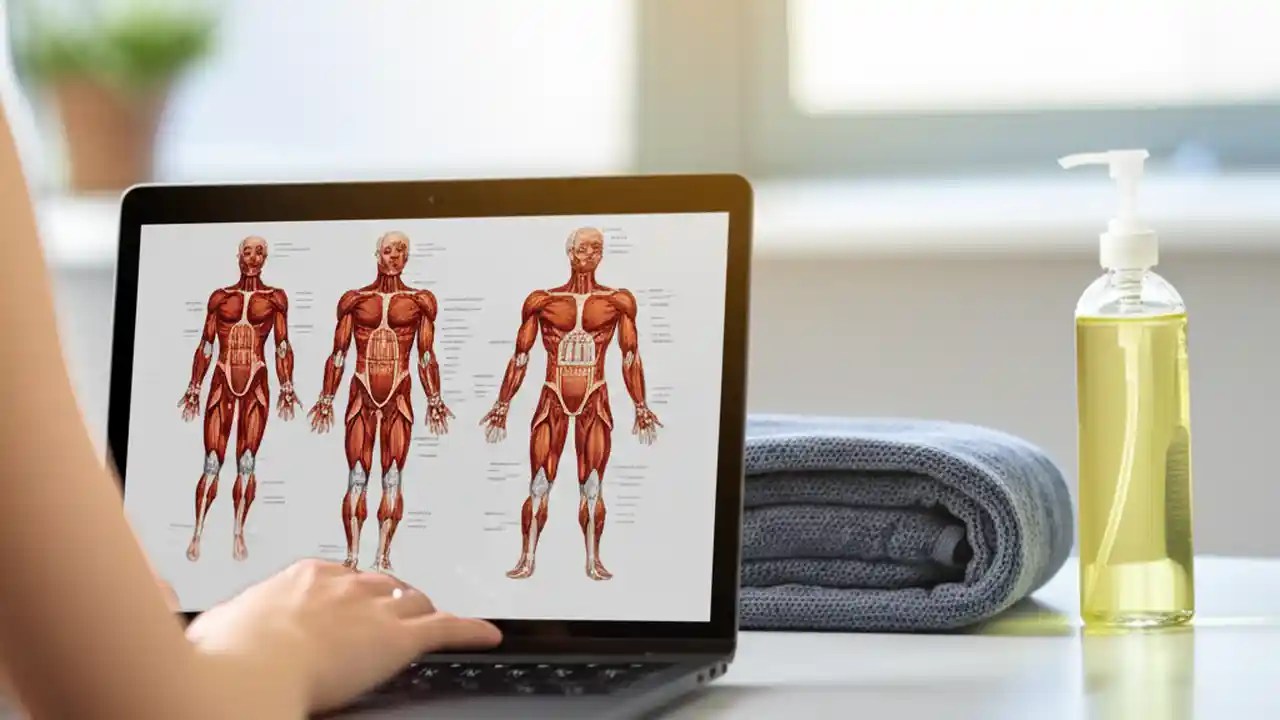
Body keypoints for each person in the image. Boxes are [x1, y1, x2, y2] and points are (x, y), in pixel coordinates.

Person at [0, 101, 501, 717]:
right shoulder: (323, 301)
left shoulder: (385, 304)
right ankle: (257, 539)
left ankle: (372, 559)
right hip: (249, 387)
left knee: (370, 475)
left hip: (318, 386)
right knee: (259, 470)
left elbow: (315, 348)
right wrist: (285, 639)